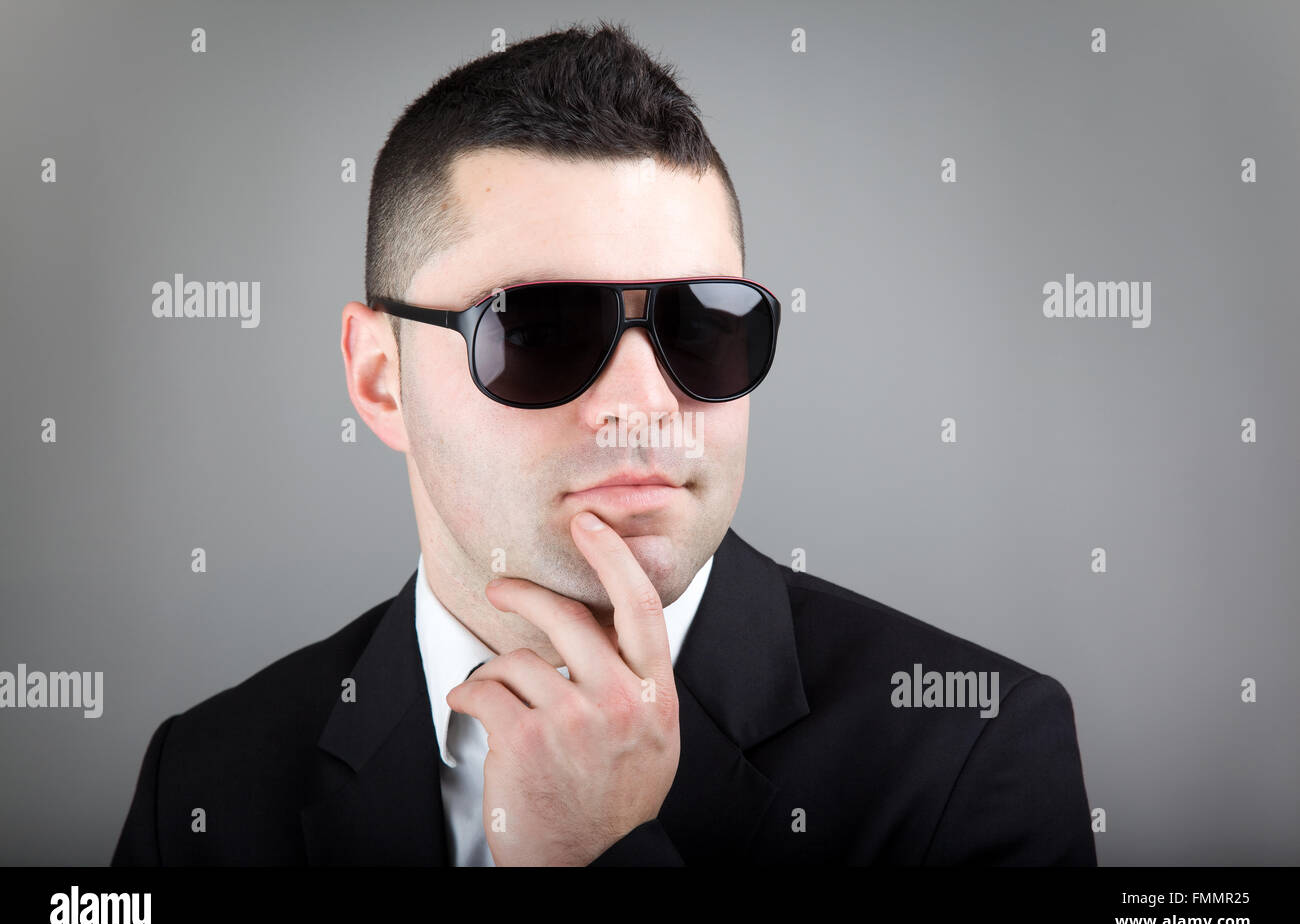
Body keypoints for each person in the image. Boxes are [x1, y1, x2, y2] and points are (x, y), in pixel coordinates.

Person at [112, 20, 1096, 866]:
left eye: (700, 323)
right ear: (380, 378)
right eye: (538, 329)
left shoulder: (969, 754)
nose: (643, 404)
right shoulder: (203, 782)